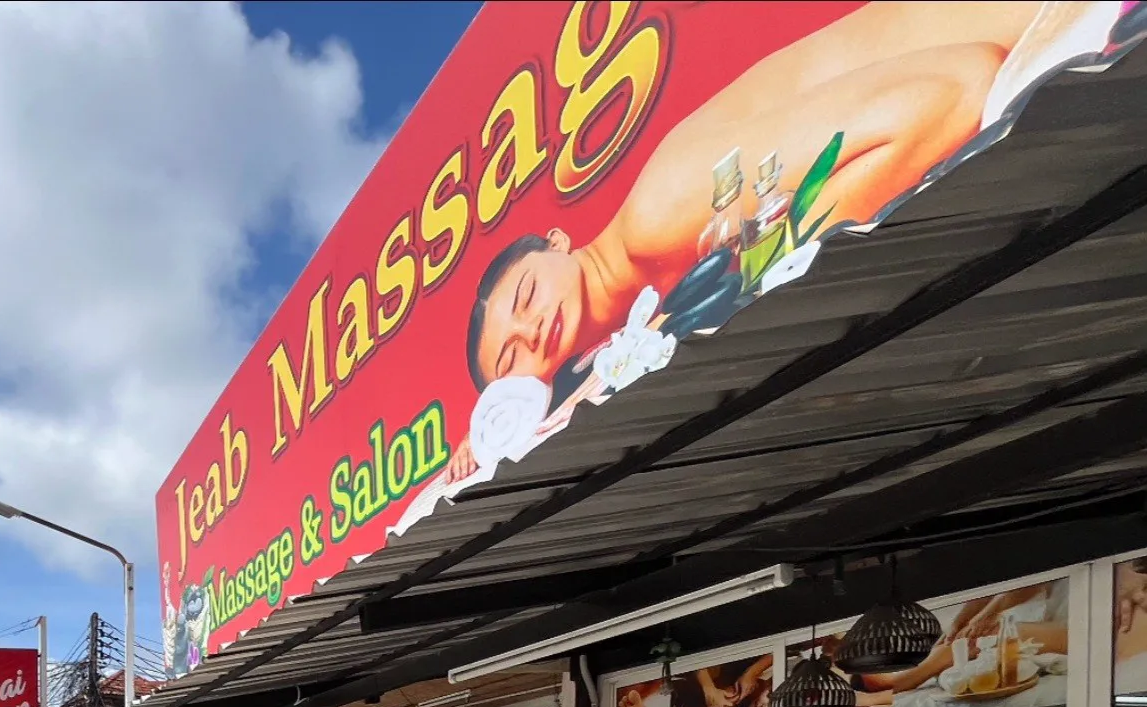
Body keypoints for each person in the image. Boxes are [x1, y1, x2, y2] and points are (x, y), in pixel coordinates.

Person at [451, 2, 1075, 480]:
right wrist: (487, 440)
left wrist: (752, 270)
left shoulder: (656, 217)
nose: (531, 331)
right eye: (512, 362)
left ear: (556, 241)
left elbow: (956, 93)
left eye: (526, 295)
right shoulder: (655, 280)